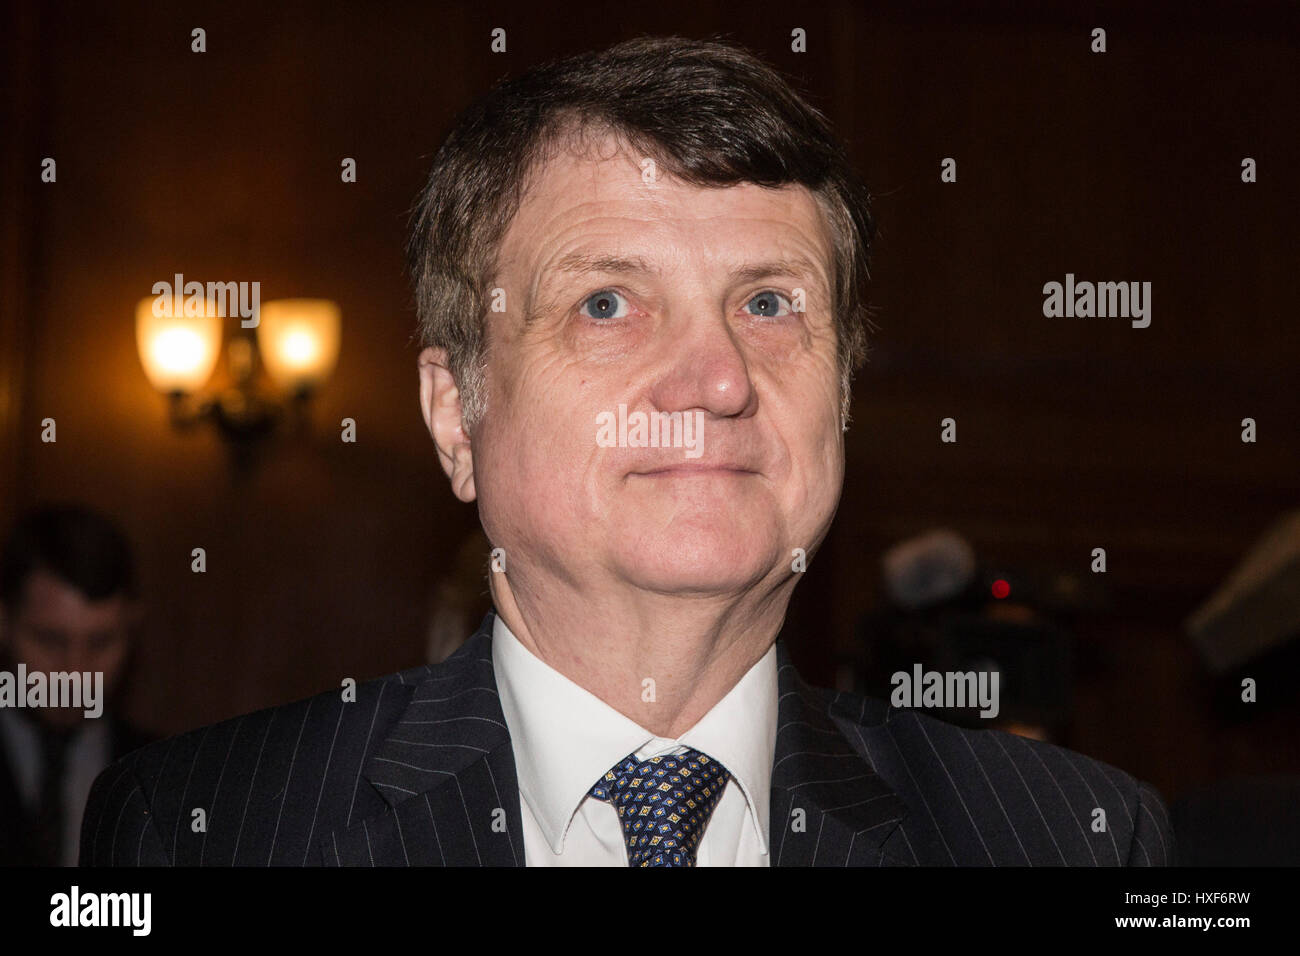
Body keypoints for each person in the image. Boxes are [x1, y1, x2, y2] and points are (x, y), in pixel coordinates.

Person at [81, 36, 1174, 867]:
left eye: (769, 303)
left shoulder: (1069, 837)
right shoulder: (208, 825)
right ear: (456, 414)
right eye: (607, 302)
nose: (720, 377)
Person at [0, 504, 151, 866]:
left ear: (133, 628)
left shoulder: (157, 772)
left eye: (100, 643)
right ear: (3, 622)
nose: (75, 671)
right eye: (50, 640)